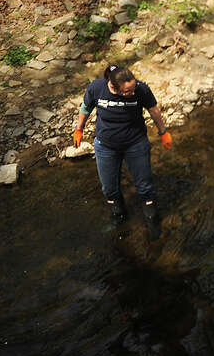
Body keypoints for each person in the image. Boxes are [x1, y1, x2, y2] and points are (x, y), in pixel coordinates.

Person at [73, 64, 172, 238]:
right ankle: (119, 219)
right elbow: (85, 108)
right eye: (127, 91)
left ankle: (152, 221)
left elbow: (153, 109)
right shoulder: (97, 88)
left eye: (133, 88)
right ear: (113, 86)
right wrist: (79, 129)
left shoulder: (141, 89)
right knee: (109, 189)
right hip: (105, 146)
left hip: (136, 144)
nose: (132, 92)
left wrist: (163, 132)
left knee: (144, 187)